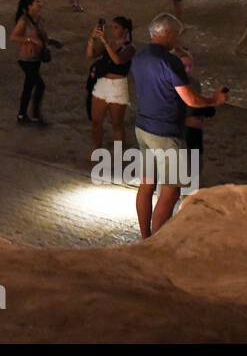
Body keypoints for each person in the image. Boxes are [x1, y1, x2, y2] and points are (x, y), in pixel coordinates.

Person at [130, 13, 228, 237]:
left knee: (146, 186)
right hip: (164, 133)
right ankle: (157, 245)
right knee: (171, 191)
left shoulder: (140, 56)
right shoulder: (169, 61)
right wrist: (214, 100)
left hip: (143, 127)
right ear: (168, 33)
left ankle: (145, 237)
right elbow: (190, 99)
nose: (177, 39)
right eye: (177, 34)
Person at [86, 15, 135, 155]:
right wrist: (92, 39)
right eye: (112, 27)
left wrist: (106, 43)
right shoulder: (110, 44)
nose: (112, 30)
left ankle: (118, 155)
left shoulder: (130, 47)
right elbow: (91, 55)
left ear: (125, 31)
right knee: (96, 121)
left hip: (118, 86)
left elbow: (118, 60)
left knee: (117, 124)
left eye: (116, 27)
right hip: (102, 84)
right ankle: (96, 150)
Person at [11, 0, 61, 125]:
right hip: (26, 59)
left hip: (36, 58)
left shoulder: (38, 19)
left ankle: (22, 115)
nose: (40, 3)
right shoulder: (24, 20)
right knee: (40, 85)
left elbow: (42, 36)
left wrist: (52, 41)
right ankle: (35, 115)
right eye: (37, 1)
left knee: (29, 86)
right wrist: (30, 39)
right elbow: (14, 37)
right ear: (29, 6)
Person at [173, 47, 215, 171]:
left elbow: (196, 103)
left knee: (195, 163)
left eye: (190, 66)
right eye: (184, 66)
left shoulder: (195, 83)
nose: (187, 70)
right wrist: (185, 121)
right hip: (177, 131)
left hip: (194, 130)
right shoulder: (170, 84)